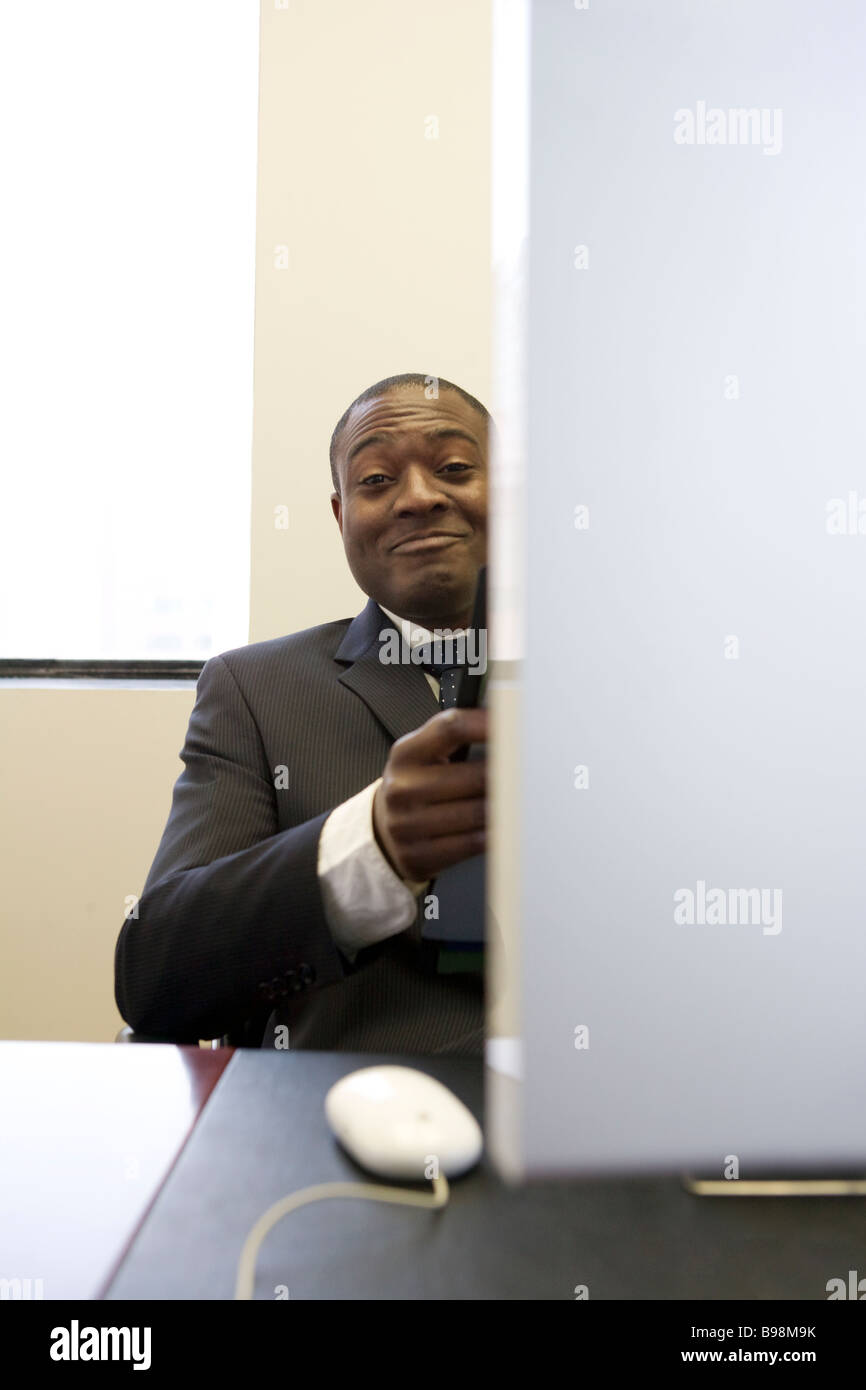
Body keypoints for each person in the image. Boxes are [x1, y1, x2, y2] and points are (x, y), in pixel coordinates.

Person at [114, 373, 490, 1052]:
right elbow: (157, 976)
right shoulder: (256, 690)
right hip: (348, 1122)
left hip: (594, 1119)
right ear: (343, 517)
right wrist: (367, 848)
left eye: (455, 467)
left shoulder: (623, 681)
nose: (418, 498)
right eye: (376, 480)